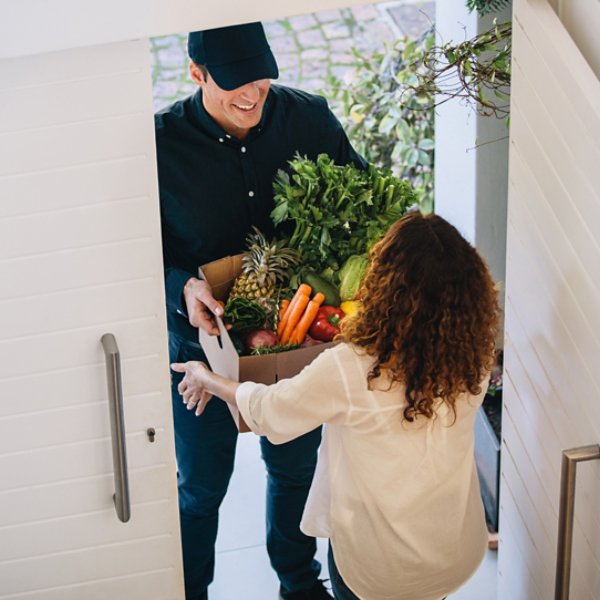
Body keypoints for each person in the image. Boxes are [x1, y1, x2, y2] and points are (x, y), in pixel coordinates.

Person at [171, 212, 501, 600]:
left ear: (385, 287)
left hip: (379, 570)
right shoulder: (474, 352)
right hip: (453, 553)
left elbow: (270, 410)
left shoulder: (354, 366)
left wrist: (206, 376)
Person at [154, 21, 365, 600]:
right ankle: (188, 591)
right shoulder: (157, 145)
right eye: (233, 85)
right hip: (200, 349)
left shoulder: (309, 119)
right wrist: (182, 288)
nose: (251, 96)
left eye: (262, 82)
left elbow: (363, 201)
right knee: (200, 489)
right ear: (196, 73)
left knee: (295, 470)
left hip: (297, 341)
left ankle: (298, 583)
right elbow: (133, 250)